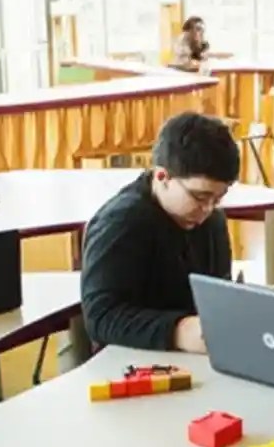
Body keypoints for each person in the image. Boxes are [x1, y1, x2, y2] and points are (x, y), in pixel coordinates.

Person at [80, 112, 240, 352]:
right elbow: (101, 317)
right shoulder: (121, 222)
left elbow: (217, 291)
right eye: (200, 196)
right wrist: (180, 331)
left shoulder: (211, 218)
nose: (208, 209)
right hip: (132, 363)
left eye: (218, 198)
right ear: (162, 176)